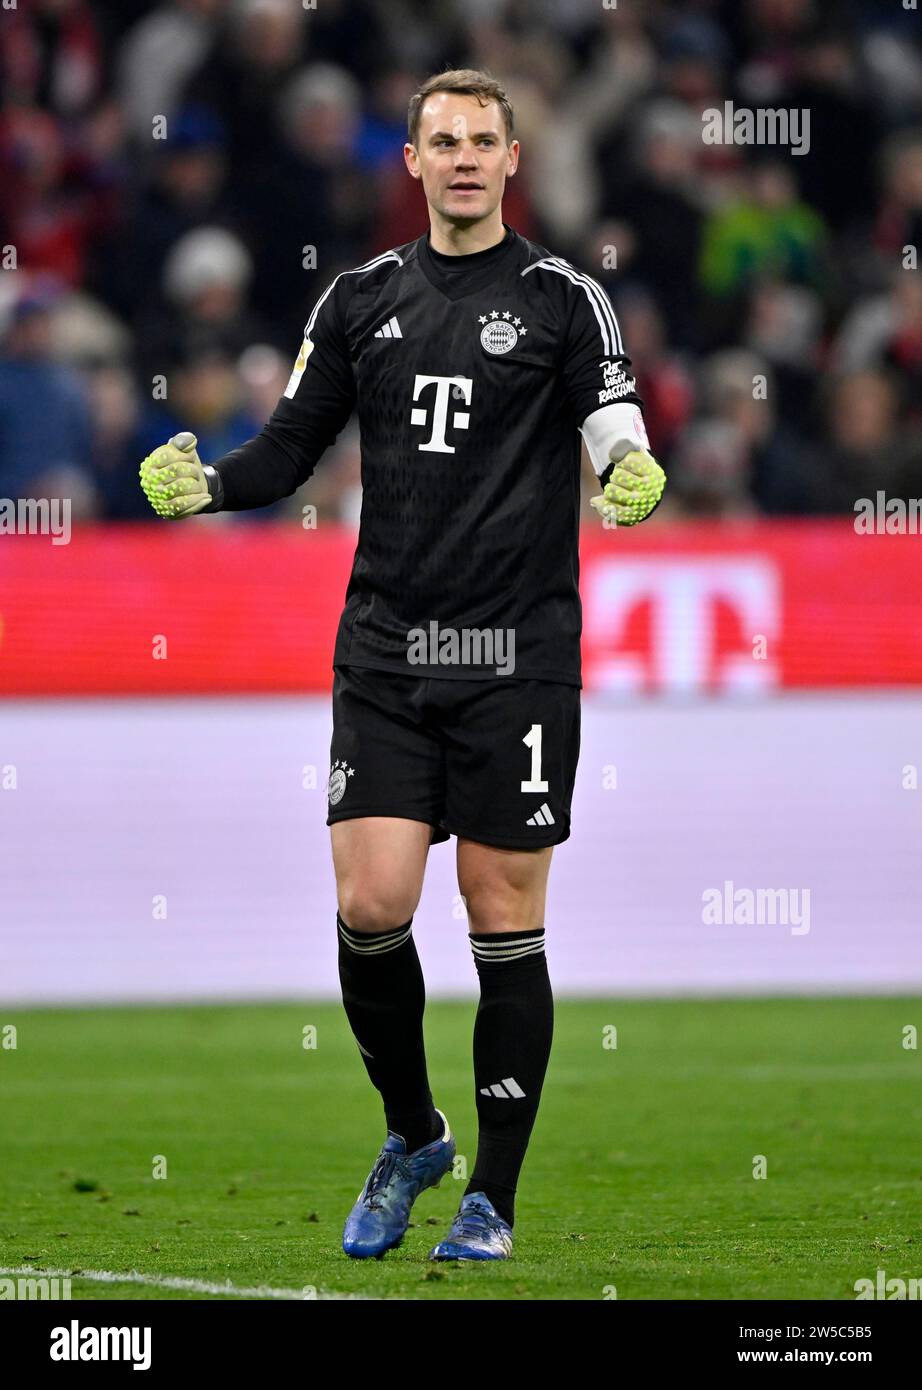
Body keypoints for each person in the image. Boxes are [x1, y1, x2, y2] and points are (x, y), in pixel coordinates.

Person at [139, 68, 666, 1262]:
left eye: (485, 138)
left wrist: (629, 470)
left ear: (512, 159)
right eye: (444, 140)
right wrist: (213, 483)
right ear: (415, 162)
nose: (466, 156)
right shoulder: (361, 296)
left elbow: (610, 417)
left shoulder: (558, 298)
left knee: (499, 914)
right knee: (371, 905)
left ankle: (493, 1200)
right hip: (388, 647)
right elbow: (291, 443)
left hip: (515, 655)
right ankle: (414, 1132)